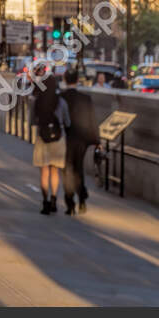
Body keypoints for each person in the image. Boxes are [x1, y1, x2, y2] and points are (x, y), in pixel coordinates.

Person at [60, 68, 98, 214]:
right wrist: (96, 140)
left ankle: (70, 204)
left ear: (64, 80)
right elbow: (92, 120)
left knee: (67, 170)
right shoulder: (86, 98)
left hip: (66, 138)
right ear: (77, 80)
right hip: (81, 140)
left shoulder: (61, 98)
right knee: (78, 169)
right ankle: (82, 198)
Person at [30, 84, 70, 214]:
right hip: (58, 139)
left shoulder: (37, 101)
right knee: (54, 171)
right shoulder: (61, 102)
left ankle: (45, 202)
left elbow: (33, 121)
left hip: (42, 139)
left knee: (44, 172)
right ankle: (54, 199)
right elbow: (67, 122)